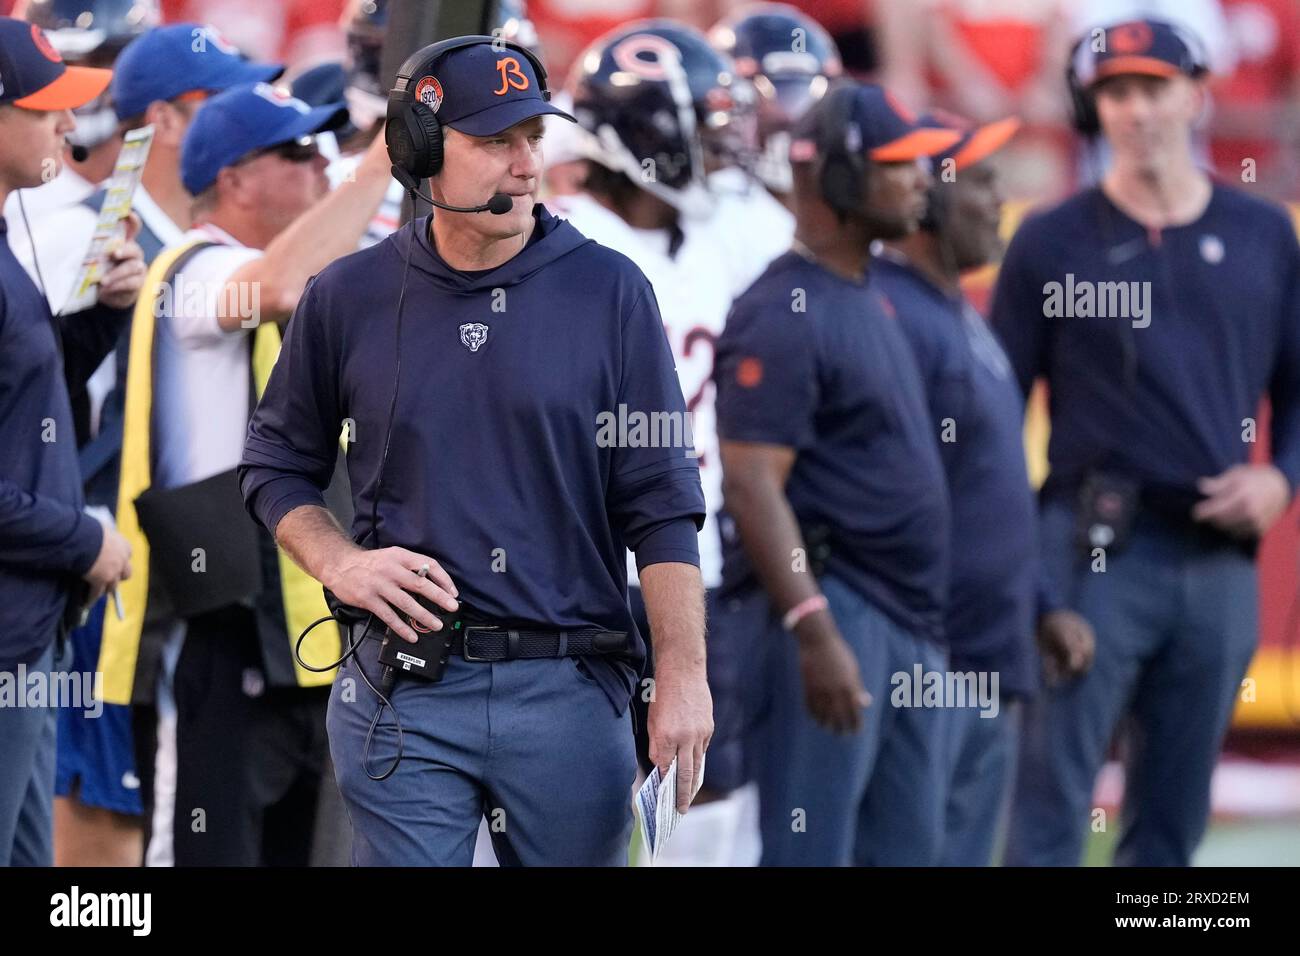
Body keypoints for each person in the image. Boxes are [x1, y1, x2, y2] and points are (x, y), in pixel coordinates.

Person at [240, 35, 713, 867]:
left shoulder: (612, 291)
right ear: (421, 150)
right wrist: (340, 562)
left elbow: (662, 502)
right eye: (495, 141)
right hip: (405, 690)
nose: (525, 162)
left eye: (533, 136)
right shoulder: (345, 296)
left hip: (571, 688)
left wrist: (682, 675)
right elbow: (277, 464)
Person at [993, 19, 1300, 866]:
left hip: (1217, 555)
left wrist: (1281, 477)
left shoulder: (1263, 235)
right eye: (1116, 92)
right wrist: (1018, 567)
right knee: (1049, 806)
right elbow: (994, 416)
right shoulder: (1050, 240)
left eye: (1154, 87)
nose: (1137, 110)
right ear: (1095, 107)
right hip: (1090, 550)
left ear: (1197, 94)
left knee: (1172, 822)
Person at [103, 81, 392, 866]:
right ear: (233, 179)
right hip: (212, 631)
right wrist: (380, 166)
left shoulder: (314, 282)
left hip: (306, 638)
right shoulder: (190, 270)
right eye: (298, 152)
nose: (322, 168)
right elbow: (276, 285)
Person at [714, 82, 959, 866]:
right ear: (846, 178)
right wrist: (813, 626)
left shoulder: (870, 292)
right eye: (900, 163)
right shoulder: (780, 309)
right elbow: (751, 483)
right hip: (837, 617)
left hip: (902, 620)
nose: (924, 178)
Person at [554, 17, 772, 866]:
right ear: (653, 137)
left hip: (692, 564)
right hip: (585, 572)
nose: (722, 153)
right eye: (706, 132)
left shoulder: (716, 236)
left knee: (705, 790)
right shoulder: (558, 238)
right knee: (578, 802)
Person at [871, 109, 1095, 866]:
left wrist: (1038, 605)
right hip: (937, 664)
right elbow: (895, 506)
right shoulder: (897, 316)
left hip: (988, 657)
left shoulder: (961, 316)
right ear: (927, 199)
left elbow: (984, 492)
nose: (1000, 198)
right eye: (983, 182)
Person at [0, 14, 144, 866]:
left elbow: (23, 393)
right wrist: (82, 537)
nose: (67, 124)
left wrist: (102, 319)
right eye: (45, 105)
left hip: (28, 631)